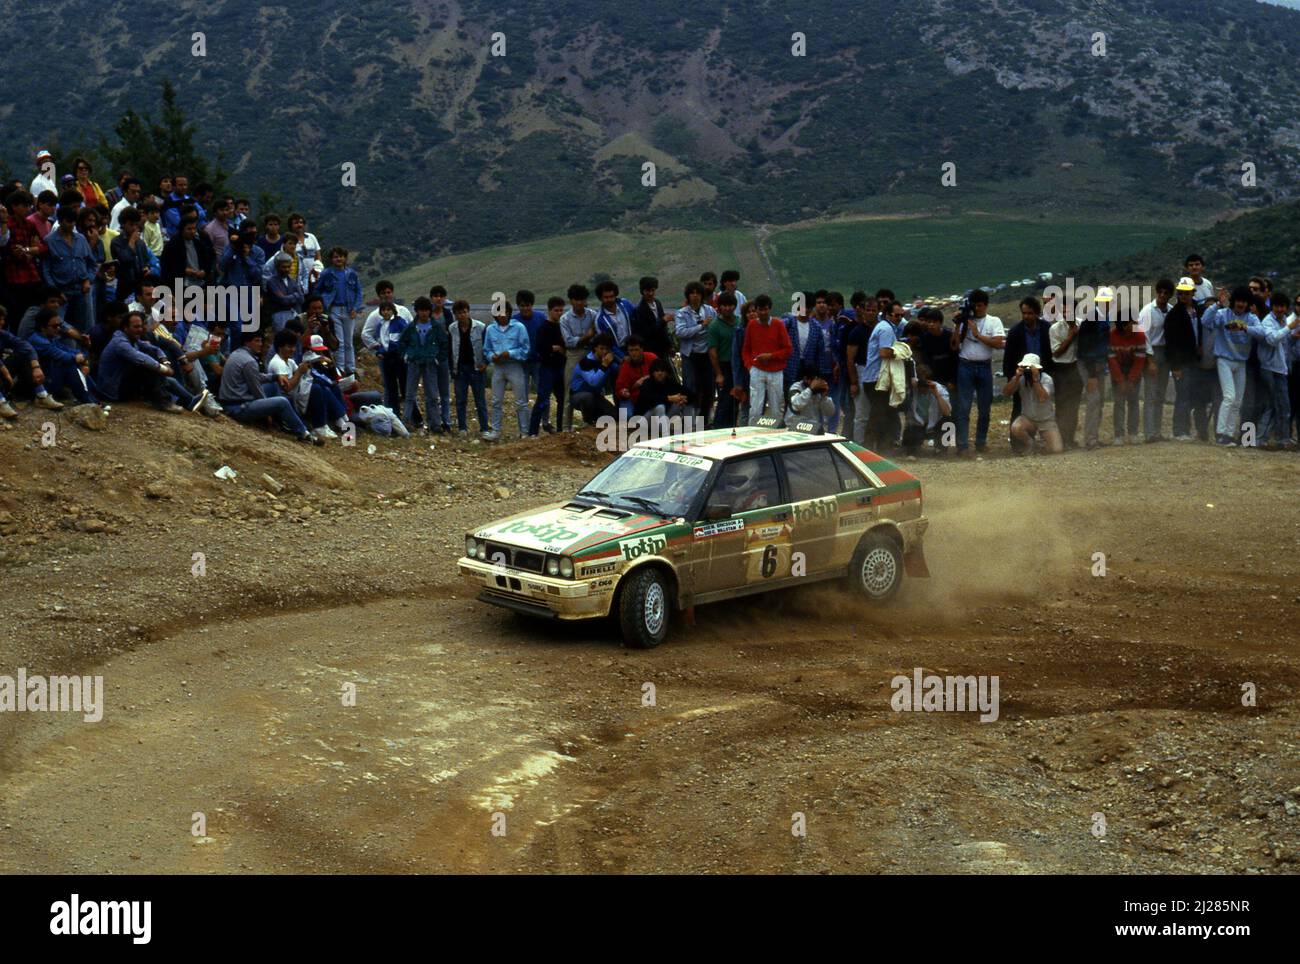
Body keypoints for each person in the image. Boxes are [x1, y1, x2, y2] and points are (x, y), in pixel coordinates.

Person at [218, 329, 320, 444]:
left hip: (233, 401)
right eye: (257, 341)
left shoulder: (237, 353)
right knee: (282, 402)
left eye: (261, 341)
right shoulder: (249, 361)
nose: (260, 344)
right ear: (247, 342)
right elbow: (256, 389)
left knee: (273, 385)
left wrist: (275, 377)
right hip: (238, 407)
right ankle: (304, 434)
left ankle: (286, 421)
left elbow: (256, 376)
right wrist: (267, 413)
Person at [98, 311, 202, 413]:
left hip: (123, 383)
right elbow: (140, 358)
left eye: (140, 326)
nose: (140, 329)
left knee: (168, 380)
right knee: (149, 367)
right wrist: (164, 369)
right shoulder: (120, 343)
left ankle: (191, 401)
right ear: (126, 328)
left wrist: (166, 363)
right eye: (136, 327)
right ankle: (163, 402)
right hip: (112, 390)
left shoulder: (132, 338)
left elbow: (156, 349)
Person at [951, 289, 1005, 455]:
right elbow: (954, 345)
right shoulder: (966, 321)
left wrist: (977, 335)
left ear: (986, 305)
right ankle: (963, 446)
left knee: (985, 408)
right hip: (965, 365)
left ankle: (981, 443)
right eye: (975, 305)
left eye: (980, 305)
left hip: (984, 366)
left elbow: (998, 343)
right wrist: (959, 324)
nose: (977, 309)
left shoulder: (993, 321)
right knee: (963, 407)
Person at [1202, 286, 1257, 446]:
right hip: (1224, 360)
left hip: (1241, 362)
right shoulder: (1222, 314)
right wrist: (1218, 303)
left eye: (1244, 301)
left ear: (1248, 303)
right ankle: (1220, 432)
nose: (1241, 304)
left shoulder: (1251, 318)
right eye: (1238, 300)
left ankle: (1229, 434)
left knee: (1237, 401)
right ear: (1233, 301)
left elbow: (1262, 332)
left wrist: (1246, 328)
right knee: (1229, 396)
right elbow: (1205, 321)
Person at [268, 330, 348, 439]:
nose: (292, 350)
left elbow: (300, 377)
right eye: (289, 347)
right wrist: (300, 371)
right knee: (316, 389)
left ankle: (340, 418)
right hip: (289, 400)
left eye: (294, 347)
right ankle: (321, 425)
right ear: (280, 347)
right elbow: (286, 388)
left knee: (325, 385)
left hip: (298, 395)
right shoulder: (278, 363)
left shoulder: (290, 361)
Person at [1247, 292, 1299, 450]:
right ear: (1272, 306)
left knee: (1284, 406)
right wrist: (1289, 329)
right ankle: (1259, 438)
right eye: (1277, 306)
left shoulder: (1283, 320)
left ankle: (1282, 439)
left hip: (1281, 368)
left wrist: (1292, 337)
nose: (1279, 309)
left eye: (1282, 306)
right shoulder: (1268, 321)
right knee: (1270, 405)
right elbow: (1272, 339)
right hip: (1268, 368)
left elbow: (1283, 345)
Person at [1002, 296, 1053, 450]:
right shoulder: (1015, 332)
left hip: (1042, 374)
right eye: (1024, 313)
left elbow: (1050, 353)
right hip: (1022, 375)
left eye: (1030, 313)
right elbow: (1008, 358)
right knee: (1019, 407)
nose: (1026, 316)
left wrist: (1047, 374)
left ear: (1036, 313)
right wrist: (1014, 376)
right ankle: (1019, 444)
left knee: (1044, 405)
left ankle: (1048, 439)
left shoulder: (1046, 329)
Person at [26, 307, 99, 404]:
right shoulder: (38, 341)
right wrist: (80, 359)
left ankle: (92, 397)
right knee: (69, 365)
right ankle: (88, 400)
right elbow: (63, 356)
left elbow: (69, 350)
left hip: (50, 378)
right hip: (40, 384)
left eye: (59, 325)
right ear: (42, 327)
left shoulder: (50, 338)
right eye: (54, 326)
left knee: (74, 363)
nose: (58, 329)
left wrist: (83, 355)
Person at [0, 304, 63, 415]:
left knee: (23, 355)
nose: (2, 323)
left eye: (2, 319)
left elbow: (26, 346)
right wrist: (4, 371)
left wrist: (36, 367)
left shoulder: (2, 334)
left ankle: (41, 396)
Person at [41, 205, 97, 329]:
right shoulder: (49, 241)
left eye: (73, 222)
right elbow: (46, 270)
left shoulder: (81, 239)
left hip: (82, 289)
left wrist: (88, 280)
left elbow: (92, 264)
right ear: (60, 221)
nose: (71, 225)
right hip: (61, 292)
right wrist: (55, 292)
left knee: (86, 328)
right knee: (59, 327)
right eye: (68, 221)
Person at [397, 296, 447, 436]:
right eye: (421, 310)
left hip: (430, 363)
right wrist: (406, 356)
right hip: (414, 362)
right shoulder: (411, 327)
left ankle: (435, 424)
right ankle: (406, 422)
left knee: (432, 395)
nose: (424, 313)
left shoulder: (436, 327)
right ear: (417, 311)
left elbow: (444, 344)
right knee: (409, 394)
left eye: (426, 310)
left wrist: (438, 358)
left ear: (429, 311)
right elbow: (402, 343)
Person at [482, 300, 530, 441]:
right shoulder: (491, 329)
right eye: (499, 313)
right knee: (496, 400)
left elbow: (525, 349)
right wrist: (492, 357)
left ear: (509, 313)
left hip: (514, 366)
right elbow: (487, 349)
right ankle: (495, 431)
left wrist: (510, 353)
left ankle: (524, 432)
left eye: (505, 313)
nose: (502, 316)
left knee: (521, 401)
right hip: (498, 367)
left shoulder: (519, 327)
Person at [741, 294, 791, 424]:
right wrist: (749, 366)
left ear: (770, 309)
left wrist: (771, 356)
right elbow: (746, 349)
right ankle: (751, 433)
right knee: (755, 407)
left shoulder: (778, 324)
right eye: (760, 309)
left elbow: (788, 349)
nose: (763, 312)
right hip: (757, 370)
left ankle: (777, 434)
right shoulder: (751, 325)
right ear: (756, 310)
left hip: (776, 371)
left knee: (776, 408)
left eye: (766, 309)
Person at [1162, 277, 1201, 442]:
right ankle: (1179, 430)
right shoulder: (1174, 315)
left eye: (1187, 293)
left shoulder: (1198, 310)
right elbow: (1171, 343)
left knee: (1191, 396)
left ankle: (1187, 429)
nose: (1184, 296)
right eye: (1181, 293)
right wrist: (1175, 366)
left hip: (1194, 360)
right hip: (1182, 361)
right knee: (1183, 396)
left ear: (1193, 293)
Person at [1076, 287, 1113, 449]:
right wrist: (1091, 374)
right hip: (1089, 364)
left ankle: (1094, 437)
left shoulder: (1105, 317)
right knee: (1094, 399)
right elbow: (1084, 348)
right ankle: (1090, 439)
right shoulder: (1092, 318)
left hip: (1099, 363)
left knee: (1099, 400)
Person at [1003, 352, 1062, 454]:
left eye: (1030, 368)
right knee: (1016, 427)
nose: (1028, 371)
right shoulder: (1021, 379)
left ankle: (1043, 445)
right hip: (1028, 418)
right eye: (1025, 368)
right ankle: (1031, 444)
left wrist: (1035, 380)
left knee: (1057, 449)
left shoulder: (1046, 379)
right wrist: (1016, 377)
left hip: (1046, 419)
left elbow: (1042, 398)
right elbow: (1006, 393)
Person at [317, 247, 363, 375]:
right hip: (333, 309)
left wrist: (355, 308)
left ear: (345, 258)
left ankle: (351, 368)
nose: (339, 259)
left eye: (341, 256)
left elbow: (358, 291)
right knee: (339, 341)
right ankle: (341, 368)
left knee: (349, 341)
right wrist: (323, 304)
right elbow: (318, 289)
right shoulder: (327, 273)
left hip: (349, 310)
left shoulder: (351, 273)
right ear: (331, 259)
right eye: (336, 257)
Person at [675, 280, 717, 421]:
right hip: (690, 355)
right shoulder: (681, 313)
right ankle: (690, 419)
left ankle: (706, 418)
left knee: (708, 387)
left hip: (707, 355)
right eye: (692, 293)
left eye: (698, 293)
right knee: (690, 387)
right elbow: (680, 332)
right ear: (688, 295)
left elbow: (715, 328)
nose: (695, 296)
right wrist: (701, 326)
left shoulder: (710, 310)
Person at [3, 190, 48, 322]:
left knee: (33, 312)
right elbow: (14, 252)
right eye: (24, 206)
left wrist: (29, 250)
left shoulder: (30, 224)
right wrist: (30, 251)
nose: (28, 209)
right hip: (14, 276)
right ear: (14, 206)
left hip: (32, 275)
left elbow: (43, 246)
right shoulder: (8, 226)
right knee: (17, 314)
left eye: (29, 205)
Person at [559, 284, 598, 431]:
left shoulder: (592, 314)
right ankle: (566, 427)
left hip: (591, 354)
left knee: (594, 387)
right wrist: (587, 336)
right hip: (574, 355)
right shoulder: (565, 319)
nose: (580, 303)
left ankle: (590, 423)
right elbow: (569, 341)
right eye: (576, 300)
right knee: (569, 390)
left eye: (582, 300)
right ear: (571, 301)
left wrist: (586, 339)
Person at [449, 299, 489, 438]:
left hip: (476, 368)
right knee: (460, 399)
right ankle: (462, 428)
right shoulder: (452, 329)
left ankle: (484, 428)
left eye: (464, 312)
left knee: (480, 400)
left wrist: (485, 363)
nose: (462, 315)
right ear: (455, 314)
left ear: (468, 312)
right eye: (459, 313)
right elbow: (450, 349)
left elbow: (487, 347)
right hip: (459, 368)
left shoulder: (481, 327)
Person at [1107, 313, 1147, 444]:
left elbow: (1140, 360)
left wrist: (1131, 380)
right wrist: (1120, 380)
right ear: (1124, 325)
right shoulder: (1112, 336)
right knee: (1119, 403)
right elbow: (1111, 360)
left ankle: (1133, 433)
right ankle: (1119, 434)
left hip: (1133, 369)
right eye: (1132, 323)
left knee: (1133, 401)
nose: (1135, 325)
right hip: (1117, 369)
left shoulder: (1139, 334)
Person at [529, 296, 566, 436]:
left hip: (560, 367)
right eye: (556, 310)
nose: (559, 313)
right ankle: (533, 431)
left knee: (562, 399)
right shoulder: (544, 328)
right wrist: (554, 349)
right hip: (547, 368)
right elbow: (540, 348)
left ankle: (561, 429)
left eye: (561, 310)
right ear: (550, 311)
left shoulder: (562, 326)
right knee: (543, 400)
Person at [569, 332, 620, 426]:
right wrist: (604, 365)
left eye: (607, 349)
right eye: (601, 348)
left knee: (614, 416)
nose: (604, 351)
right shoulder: (585, 362)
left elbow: (618, 370)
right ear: (595, 348)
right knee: (587, 398)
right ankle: (587, 421)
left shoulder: (608, 359)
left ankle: (596, 418)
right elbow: (593, 381)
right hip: (578, 395)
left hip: (596, 395)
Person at [708, 291, 740, 428]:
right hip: (724, 365)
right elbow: (712, 351)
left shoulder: (740, 321)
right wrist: (719, 373)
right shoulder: (715, 325)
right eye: (724, 306)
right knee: (725, 400)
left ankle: (731, 427)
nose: (727, 308)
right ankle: (718, 427)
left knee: (736, 398)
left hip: (738, 365)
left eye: (730, 305)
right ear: (720, 307)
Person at [630, 276, 673, 360]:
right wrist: (663, 321)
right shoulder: (639, 310)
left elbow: (663, 329)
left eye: (652, 290)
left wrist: (669, 345)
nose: (650, 293)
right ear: (642, 291)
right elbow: (645, 332)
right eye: (647, 291)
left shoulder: (657, 303)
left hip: (662, 348)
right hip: (650, 349)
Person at [613, 335, 656, 417]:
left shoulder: (651, 358)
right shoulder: (625, 365)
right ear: (628, 351)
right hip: (631, 397)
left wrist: (647, 379)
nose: (633, 353)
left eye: (636, 350)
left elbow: (662, 374)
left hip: (650, 394)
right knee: (628, 416)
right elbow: (619, 387)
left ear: (642, 349)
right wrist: (623, 391)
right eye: (631, 350)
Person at [634, 357, 687, 422]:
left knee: (679, 402)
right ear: (652, 372)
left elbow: (688, 393)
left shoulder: (670, 382)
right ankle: (663, 429)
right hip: (645, 418)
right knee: (660, 407)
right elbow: (650, 399)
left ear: (667, 372)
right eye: (657, 371)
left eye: (662, 371)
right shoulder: (647, 383)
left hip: (662, 418)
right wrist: (669, 398)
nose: (660, 373)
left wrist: (682, 398)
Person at [785, 362, 835, 430]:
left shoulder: (819, 391)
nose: (818, 382)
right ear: (806, 379)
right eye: (816, 379)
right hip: (793, 425)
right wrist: (810, 389)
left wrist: (824, 397)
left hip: (812, 427)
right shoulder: (796, 387)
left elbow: (830, 412)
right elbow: (797, 404)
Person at [264, 252, 305, 332]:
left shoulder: (293, 281)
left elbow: (302, 299)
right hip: (278, 314)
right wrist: (295, 295)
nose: (287, 269)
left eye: (288, 267)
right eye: (284, 267)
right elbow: (283, 300)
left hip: (294, 313)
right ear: (277, 267)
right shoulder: (271, 281)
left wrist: (289, 296)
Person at [593, 280, 634, 352]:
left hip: (634, 346)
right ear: (600, 298)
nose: (609, 299)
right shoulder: (600, 319)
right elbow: (605, 343)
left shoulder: (625, 304)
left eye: (611, 296)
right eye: (606, 297)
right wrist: (621, 357)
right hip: (618, 351)